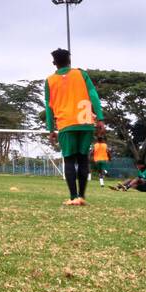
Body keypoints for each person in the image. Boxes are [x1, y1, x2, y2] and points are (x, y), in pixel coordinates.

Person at [43, 47, 104, 206]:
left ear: (54, 63)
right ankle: (81, 197)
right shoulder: (81, 74)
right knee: (83, 159)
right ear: (69, 61)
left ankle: (73, 197)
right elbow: (94, 96)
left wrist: (51, 129)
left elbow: (49, 107)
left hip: (65, 123)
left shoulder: (49, 81)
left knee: (69, 160)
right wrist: (101, 119)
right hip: (85, 121)